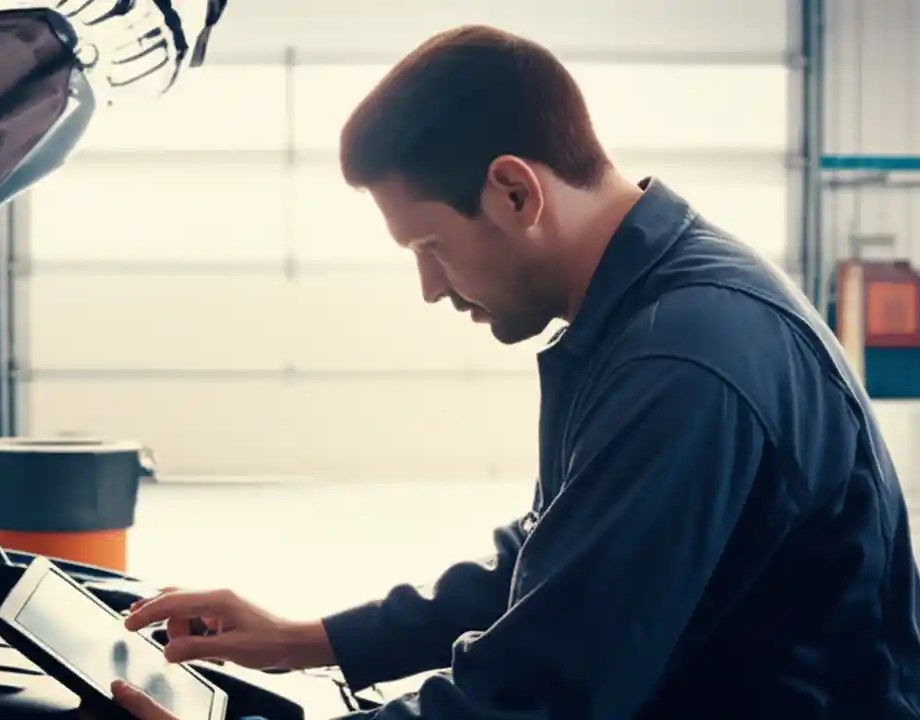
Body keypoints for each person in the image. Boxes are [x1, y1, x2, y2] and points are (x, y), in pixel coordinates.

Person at [111, 24, 920, 720]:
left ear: (513, 192)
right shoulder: (646, 310)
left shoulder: (684, 360)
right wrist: (309, 641)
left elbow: (541, 691)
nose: (429, 287)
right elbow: (554, 569)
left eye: (430, 248)